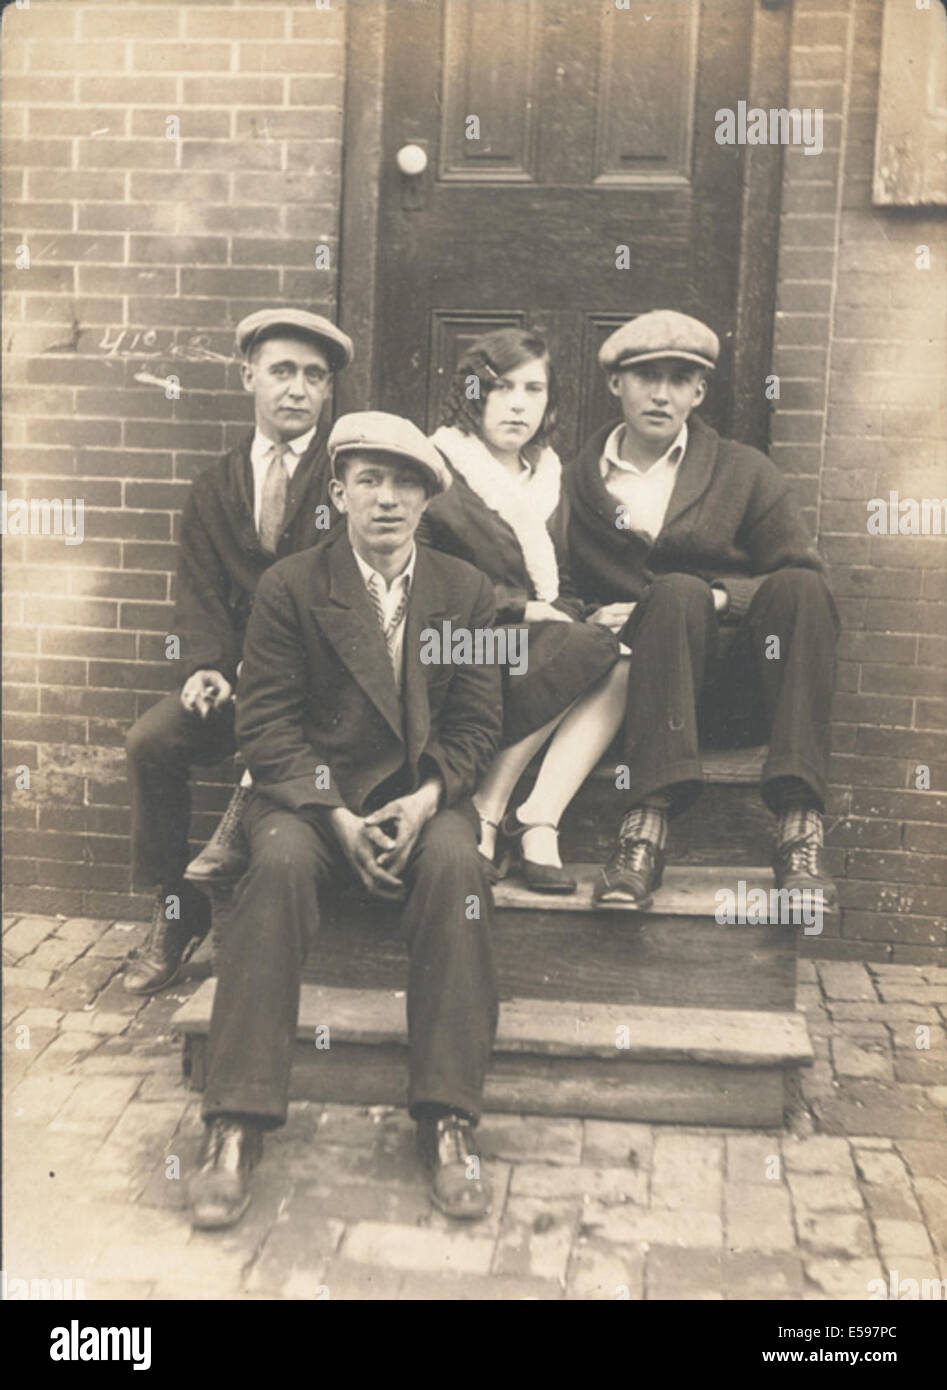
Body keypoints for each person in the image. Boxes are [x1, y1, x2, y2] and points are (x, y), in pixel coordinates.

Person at [187, 412, 502, 1230]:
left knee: (458, 867)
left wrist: (429, 796)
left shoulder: (464, 592)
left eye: (406, 484)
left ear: (429, 501)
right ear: (337, 492)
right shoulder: (290, 585)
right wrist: (333, 816)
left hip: (417, 796)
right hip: (307, 794)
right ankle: (234, 1123)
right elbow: (266, 726)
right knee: (280, 868)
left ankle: (448, 1120)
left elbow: (475, 724)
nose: (388, 499)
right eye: (369, 479)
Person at [565, 309, 839, 911]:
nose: (661, 394)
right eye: (645, 377)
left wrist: (724, 598)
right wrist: (586, 617)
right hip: (633, 697)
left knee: (789, 590)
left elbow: (805, 576)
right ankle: (645, 827)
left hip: (733, 693)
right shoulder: (575, 484)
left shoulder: (744, 470)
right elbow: (553, 583)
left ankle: (798, 824)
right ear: (616, 384)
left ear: (698, 391)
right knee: (673, 593)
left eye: (678, 378)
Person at [122, 309, 353, 995]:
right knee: (152, 741)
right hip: (239, 685)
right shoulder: (215, 487)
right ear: (248, 374)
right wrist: (204, 669)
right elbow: (198, 594)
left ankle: (256, 922)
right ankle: (176, 908)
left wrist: (274, 660)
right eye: (282, 371)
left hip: (322, 694)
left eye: (314, 377)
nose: (297, 390)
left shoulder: (346, 477)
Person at [423, 328, 626, 892]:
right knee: (584, 646)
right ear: (471, 393)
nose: (518, 404)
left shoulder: (549, 476)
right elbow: (421, 580)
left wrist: (584, 613)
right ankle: (485, 810)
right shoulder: (437, 468)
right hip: (451, 644)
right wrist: (522, 610)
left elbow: (557, 582)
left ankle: (538, 817)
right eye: (501, 387)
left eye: (534, 389)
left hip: (522, 642)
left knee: (624, 655)